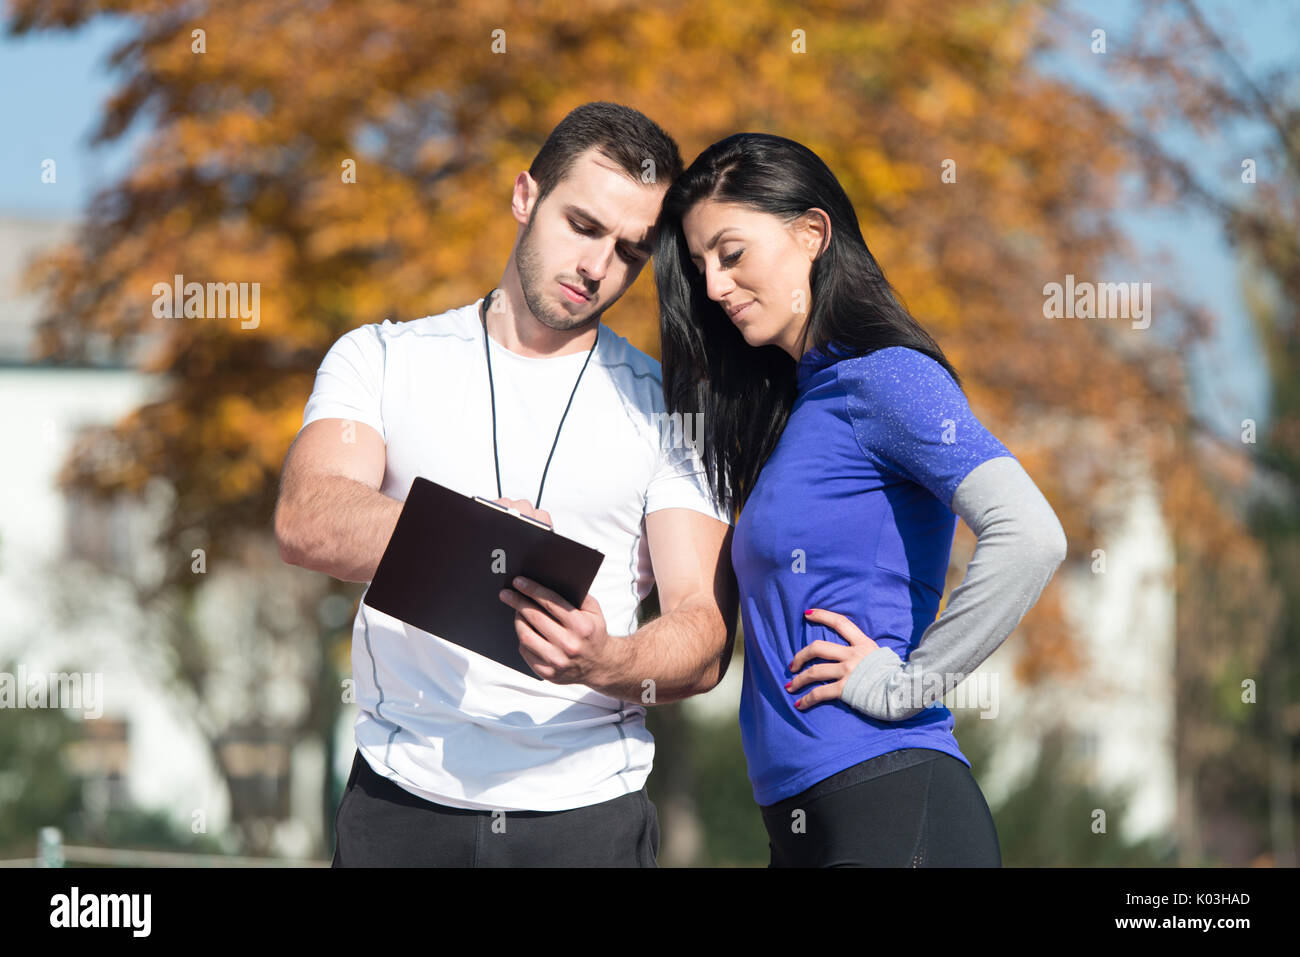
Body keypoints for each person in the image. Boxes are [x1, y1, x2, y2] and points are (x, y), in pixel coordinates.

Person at [274, 102, 739, 867]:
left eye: (629, 249)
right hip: (401, 800)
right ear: (525, 197)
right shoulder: (382, 358)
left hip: (586, 815)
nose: (598, 266)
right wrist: (466, 534)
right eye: (583, 226)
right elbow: (306, 519)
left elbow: (703, 636)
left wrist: (606, 660)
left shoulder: (668, 409)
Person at [653, 132, 1068, 867]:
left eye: (732, 251)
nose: (714, 285)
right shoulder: (802, 408)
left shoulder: (887, 379)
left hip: (893, 800)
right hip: (806, 819)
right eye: (700, 264)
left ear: (812, 233)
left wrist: (912, 683)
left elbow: (1031, 533)